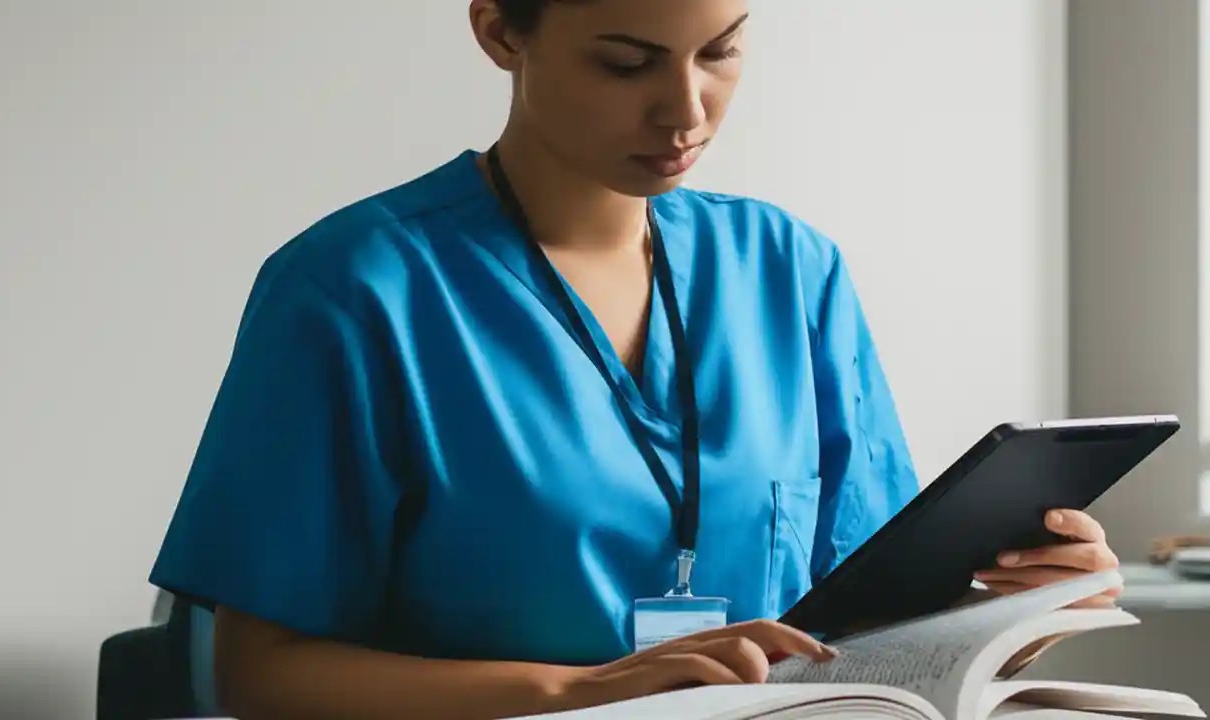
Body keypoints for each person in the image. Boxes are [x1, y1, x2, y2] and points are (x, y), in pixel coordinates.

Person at [148, 1, 1122, 718]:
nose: (685, 111)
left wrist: (1018, 610)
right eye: (626, 64)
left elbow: (866, 621)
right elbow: (258, 676)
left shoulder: (789, 268)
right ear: (499, 32)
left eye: (722, 50)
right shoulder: (352, 290)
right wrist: (576, 693)